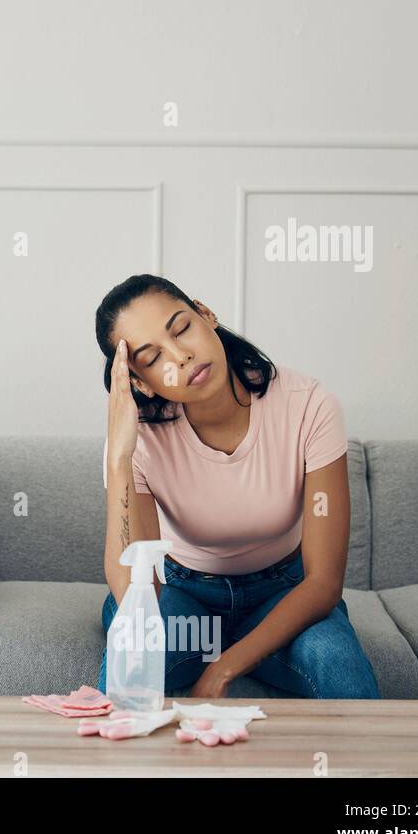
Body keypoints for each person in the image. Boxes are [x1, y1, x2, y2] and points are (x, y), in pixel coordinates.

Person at [96, 274, 380, 699]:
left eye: (182, 328)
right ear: (138, 381)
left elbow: (323, 581)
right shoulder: (138, 439)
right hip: (182, 594)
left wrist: (224, 667)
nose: (182, 356)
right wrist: (119, 456)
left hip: (285, 592)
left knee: (335, 659)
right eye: (153, 358)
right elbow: (133, 592)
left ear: (205, 313)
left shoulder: (308, 404)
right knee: (127, 670)